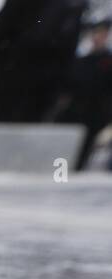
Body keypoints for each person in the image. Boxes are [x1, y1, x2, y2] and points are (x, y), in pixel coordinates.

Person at [0, 0, 88, 122]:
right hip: (31, 81)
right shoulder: (72, 7)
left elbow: (2, 30)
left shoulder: (71, 7)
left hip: (13, 73)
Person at [56, 20, 112, 169]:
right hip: (74, 110)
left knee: (82, 151)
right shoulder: (81, 61)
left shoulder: (108, 62)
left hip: (95, 113)